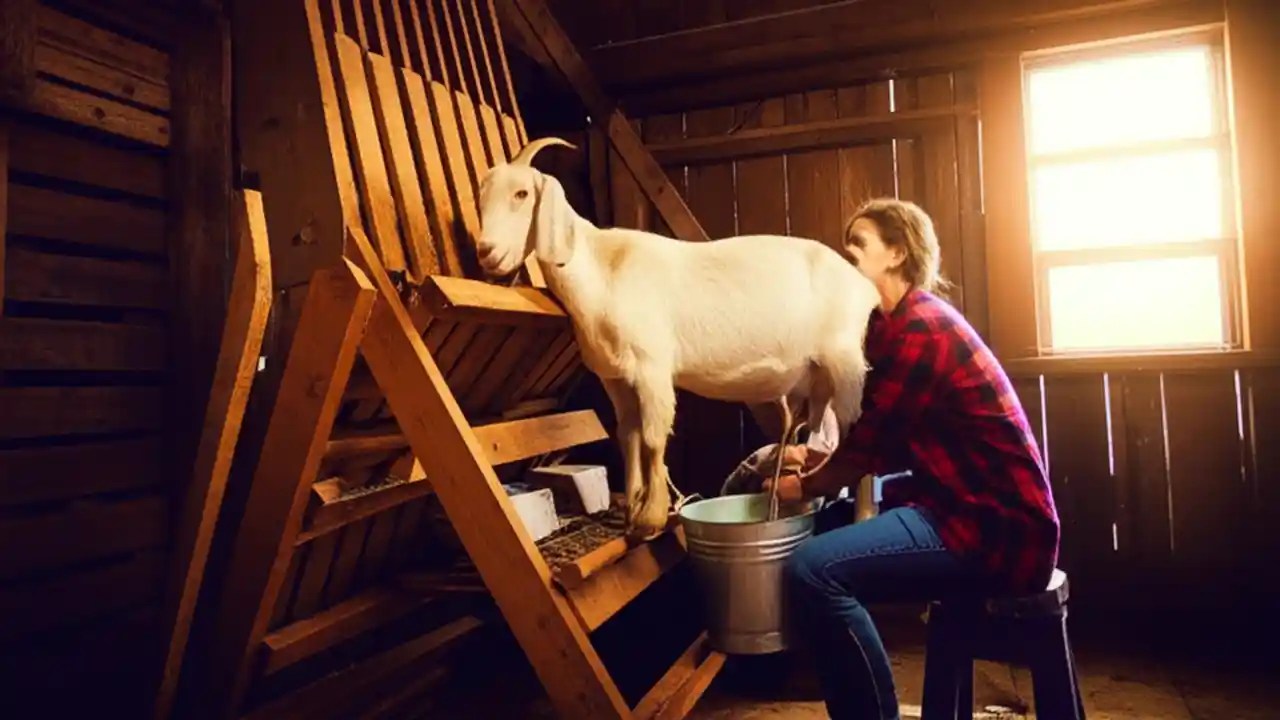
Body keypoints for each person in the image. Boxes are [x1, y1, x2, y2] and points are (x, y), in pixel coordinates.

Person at [763, 198, 1061, 720]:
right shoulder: (894, 326)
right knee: (820, 535)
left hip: (993, 527)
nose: (845, 255)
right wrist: (814, 458)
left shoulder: (921, 328)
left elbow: (874, 442)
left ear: (897, 252)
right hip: (958, 506)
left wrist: (806, 485)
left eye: (858, 245)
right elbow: (888, 435)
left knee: (813, 570)